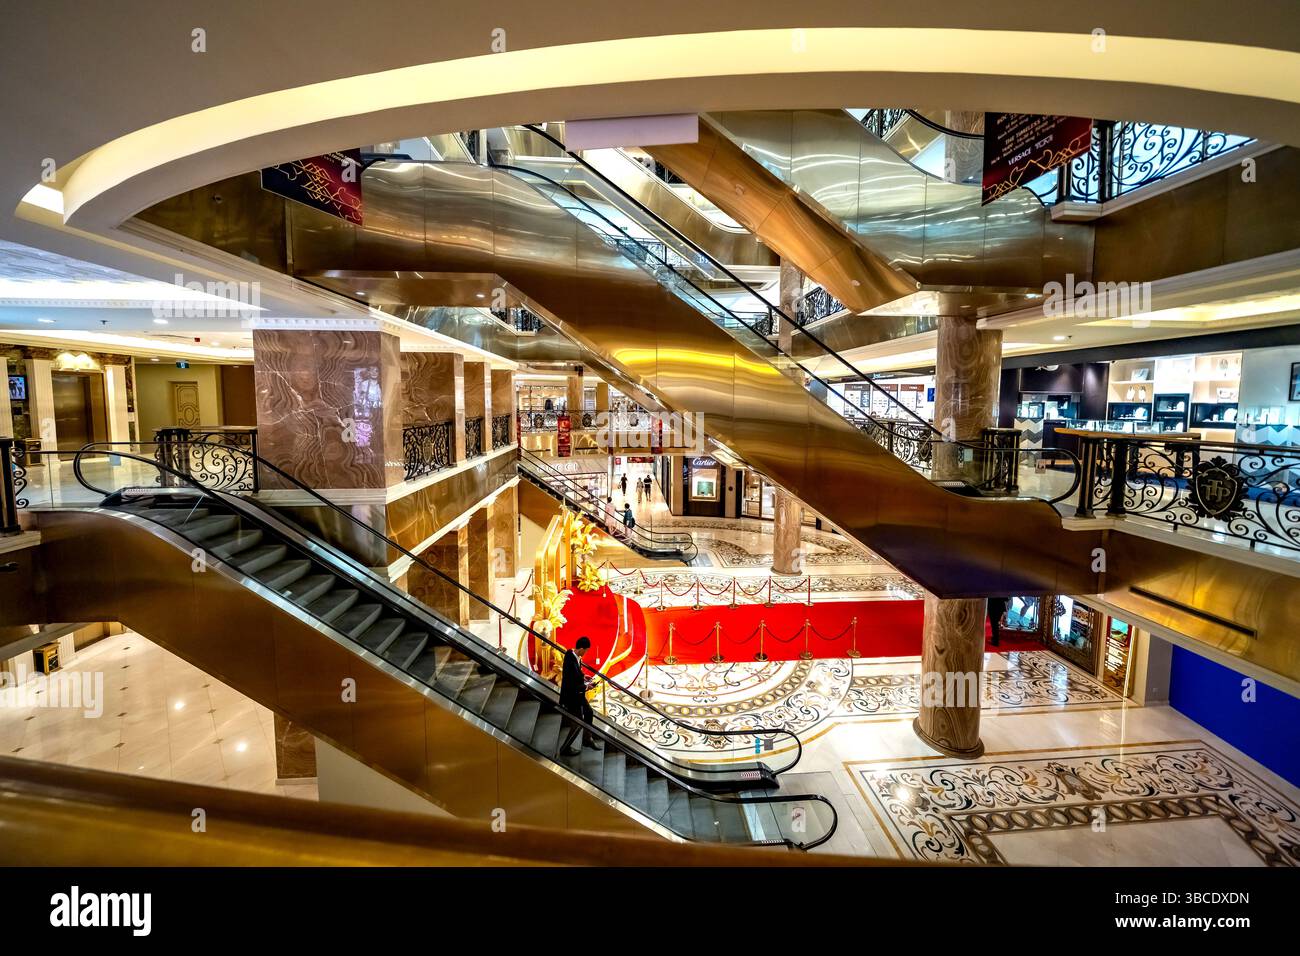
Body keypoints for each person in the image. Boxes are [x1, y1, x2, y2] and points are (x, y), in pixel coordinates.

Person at [560, 637, 600, 755]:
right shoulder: (570, 660)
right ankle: (565, 748)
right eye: (586, 650)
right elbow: (571, 683)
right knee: (577, 723)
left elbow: (576, 674)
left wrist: (585, 678)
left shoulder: (575, 656)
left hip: (578, 695)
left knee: (589, 712)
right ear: (581, 649)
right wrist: (587, 687)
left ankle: (587, 739)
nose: (586, 652)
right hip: (571, 697)